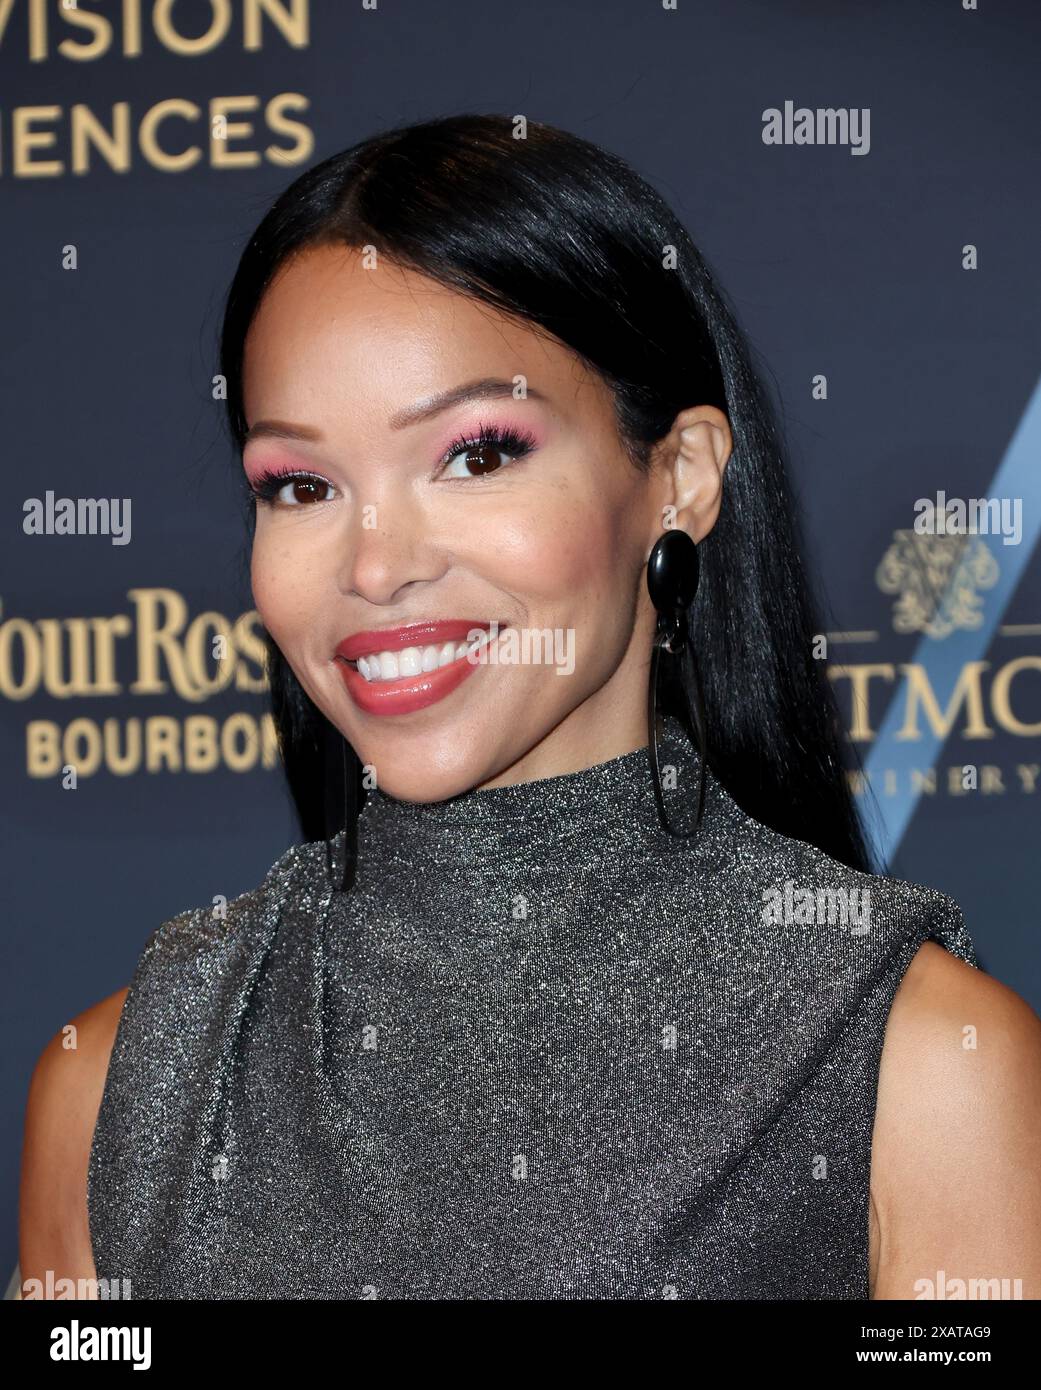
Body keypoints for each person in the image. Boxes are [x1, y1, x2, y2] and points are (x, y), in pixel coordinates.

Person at [20, 114, 1041, 1300]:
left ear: (680, 477)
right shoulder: (119, 1082)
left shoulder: (920, 1069)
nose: (374, 564)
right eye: (301, 484)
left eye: (475, 454)